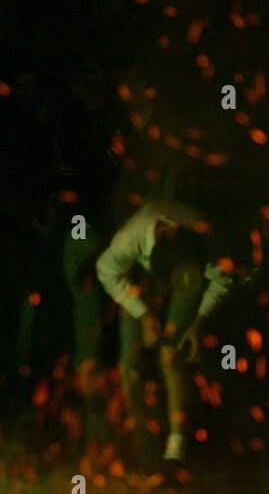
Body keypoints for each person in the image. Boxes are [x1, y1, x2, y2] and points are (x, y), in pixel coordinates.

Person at [96, 200, 231, 466]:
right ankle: (142, 440)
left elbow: (223, 279)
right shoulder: (129, 239)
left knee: (172, 355)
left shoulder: (205, 241)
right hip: (139, 280)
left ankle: (176, 447)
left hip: (187, 280)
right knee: (129, 366)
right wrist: (144, 313)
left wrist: (198, 322)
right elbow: (106, 271)